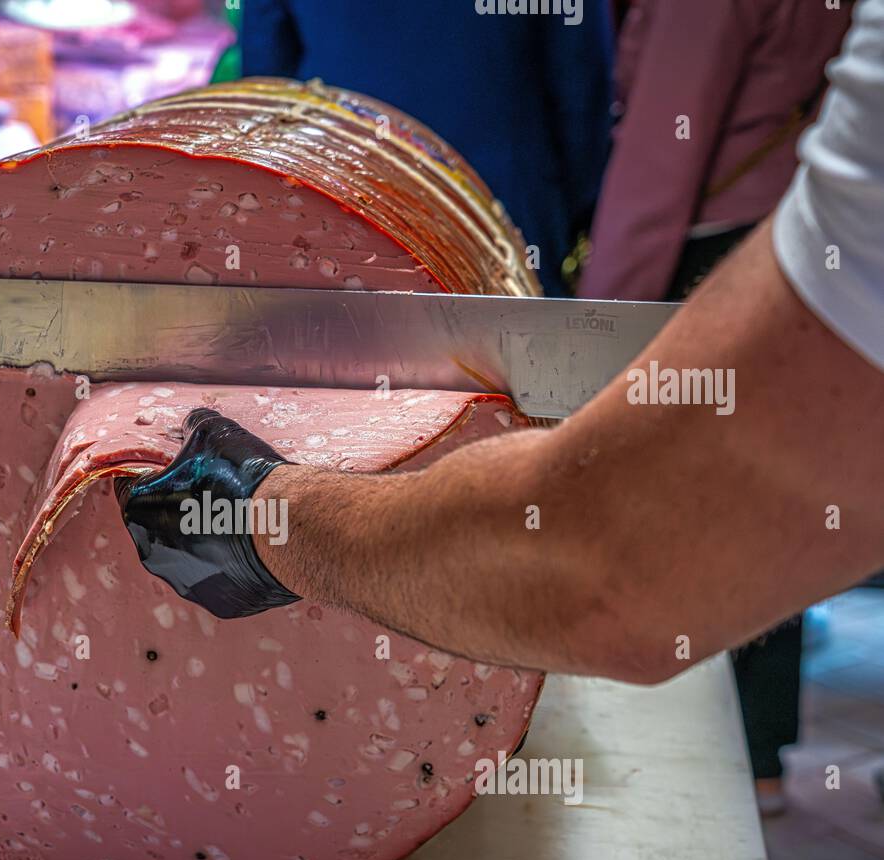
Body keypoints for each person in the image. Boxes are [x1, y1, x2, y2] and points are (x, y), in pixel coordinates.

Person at [117, 1, 884, 714]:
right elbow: (583, 107)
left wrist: (258, 518)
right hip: (513, 210)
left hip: (350, 211)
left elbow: (606, 571)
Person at [576, 0, 855, 815]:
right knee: (781, 502)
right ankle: (762, 754)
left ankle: (691, 763)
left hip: (705, 255)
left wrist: (599, 325)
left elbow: (663, 156)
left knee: (683, 514)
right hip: (799, 238)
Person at [240, 0, 614, 296]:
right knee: (513, 376)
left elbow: (267, 78)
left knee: (338, 371)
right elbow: (582, 85)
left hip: (339, 194)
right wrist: (581, 210)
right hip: (501, 203)